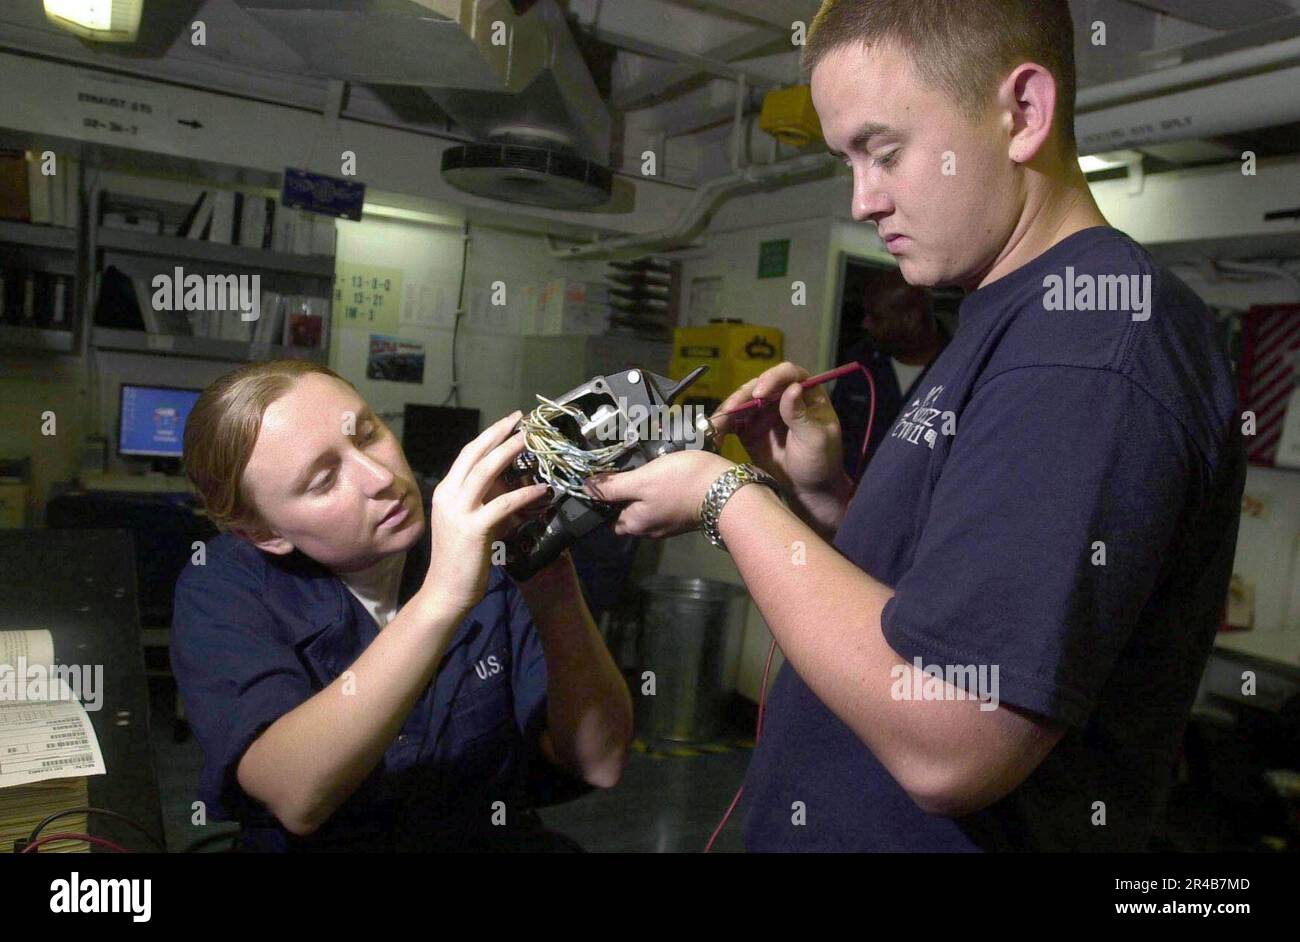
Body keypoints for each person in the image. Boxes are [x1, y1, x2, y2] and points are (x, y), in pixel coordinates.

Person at [583, 0, 1245, 851]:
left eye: (884, 151)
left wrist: (726, 497)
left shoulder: (1088, 341)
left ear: (1024, 113)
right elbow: (936, 603)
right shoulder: (1004, 316)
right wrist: (824, 499)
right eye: (848, 160)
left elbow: (952, 741)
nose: (862, 199)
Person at [171, 360, 632, 851]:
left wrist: (549, 578)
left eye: (368, 435)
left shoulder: (476, 532)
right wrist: (442, 597)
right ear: (265, 533)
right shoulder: (223, 586)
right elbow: (295, 796)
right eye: (324, 481)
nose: (380, 478)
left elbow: (599, 762)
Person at [832, 270, 949, 475]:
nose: (865, 324)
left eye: (876, 317)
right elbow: (837, 430)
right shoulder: (859, 362)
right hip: (852, 498)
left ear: (911, 318)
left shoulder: (958, 364)